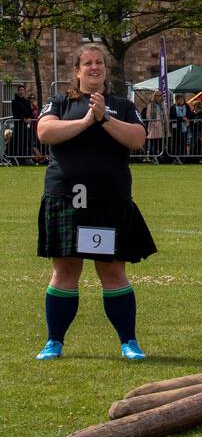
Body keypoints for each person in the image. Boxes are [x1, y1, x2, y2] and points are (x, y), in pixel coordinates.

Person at [34, 43, 156, 361]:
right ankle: (54, 342)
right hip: (66, 198)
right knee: (65, 272)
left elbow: (138, 139)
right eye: (87, 63)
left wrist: (104, 119)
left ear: (105, 69)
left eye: (99, 62)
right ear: (77, 71)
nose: (93, 67)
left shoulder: (121, 106)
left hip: (109, 200)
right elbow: (44, 132)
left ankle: (128, 342)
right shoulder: (60, 102)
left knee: (113, 272)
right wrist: (86, 121)